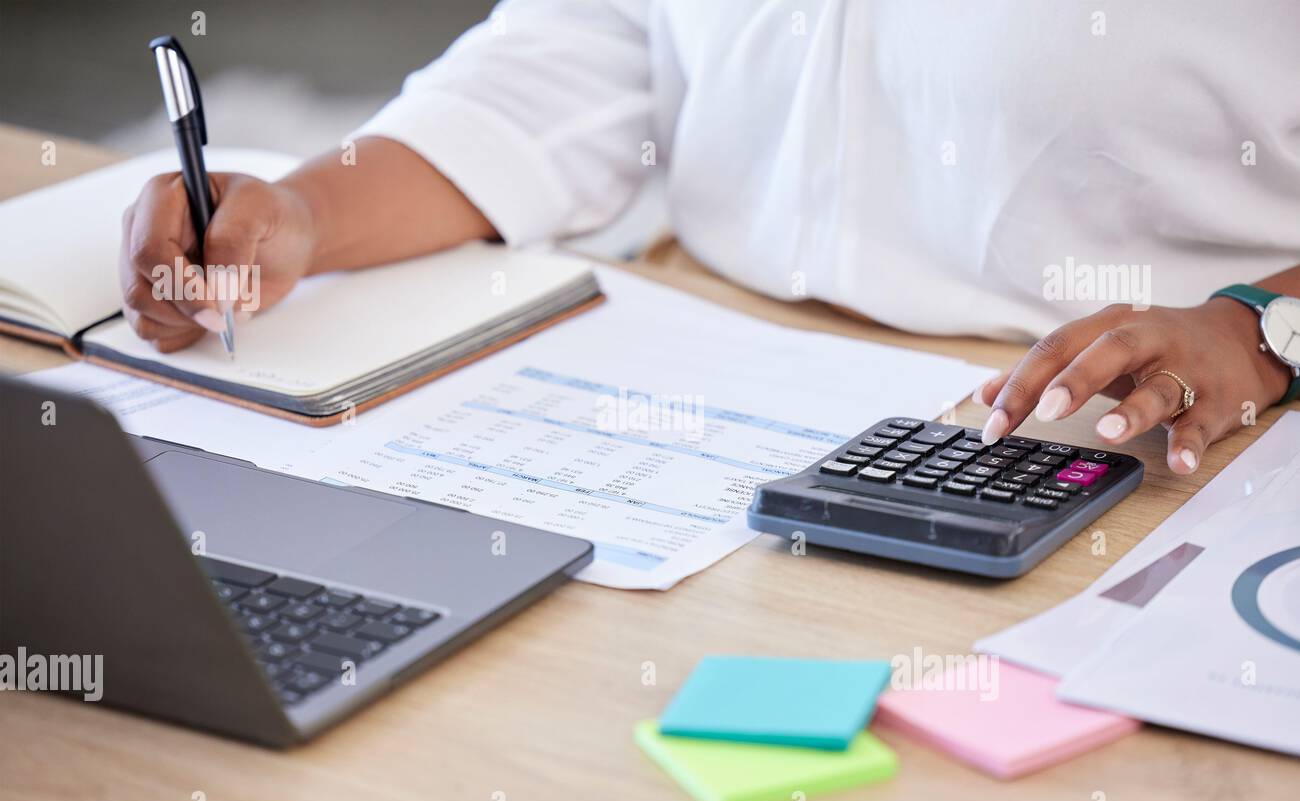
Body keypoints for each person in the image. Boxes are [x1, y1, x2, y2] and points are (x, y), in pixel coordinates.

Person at [119, 1, 1298, 475]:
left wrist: (1260, 326)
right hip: (710, 405)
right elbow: (581, 63)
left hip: (1147, 435)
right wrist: (305, 216)